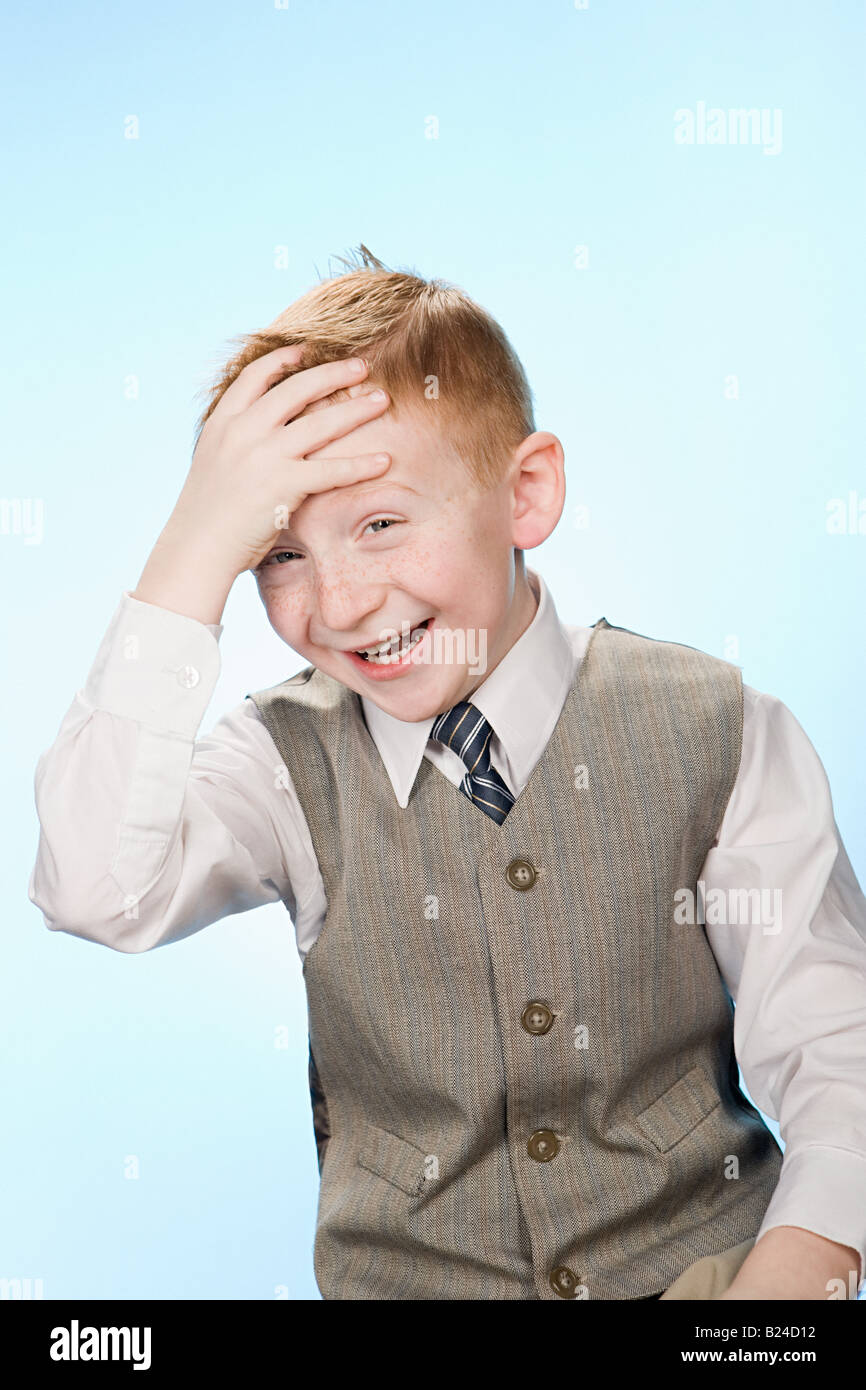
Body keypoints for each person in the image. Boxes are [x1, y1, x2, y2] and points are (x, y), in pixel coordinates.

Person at [29, 246, 866, 1300]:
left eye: (379, 524)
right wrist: (190, 550)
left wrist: (783, 1288)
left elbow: (843, 1067)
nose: (335, 606)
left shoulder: (718, 729)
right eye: (276, 555)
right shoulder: (280, 765)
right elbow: (96, 888)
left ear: (524, 492)